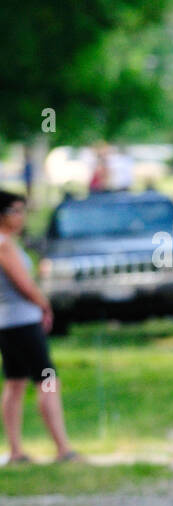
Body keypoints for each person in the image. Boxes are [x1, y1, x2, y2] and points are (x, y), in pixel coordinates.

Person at [0, 191, 76, 464]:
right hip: (22, 323)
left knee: (15, 383)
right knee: (47, 379)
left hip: (9, 323)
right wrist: (44, 304)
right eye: (17, 211)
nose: (22, 217)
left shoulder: (10, 243)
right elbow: (24, 284)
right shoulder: (4, 245)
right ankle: (63, 448)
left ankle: (16, 450)